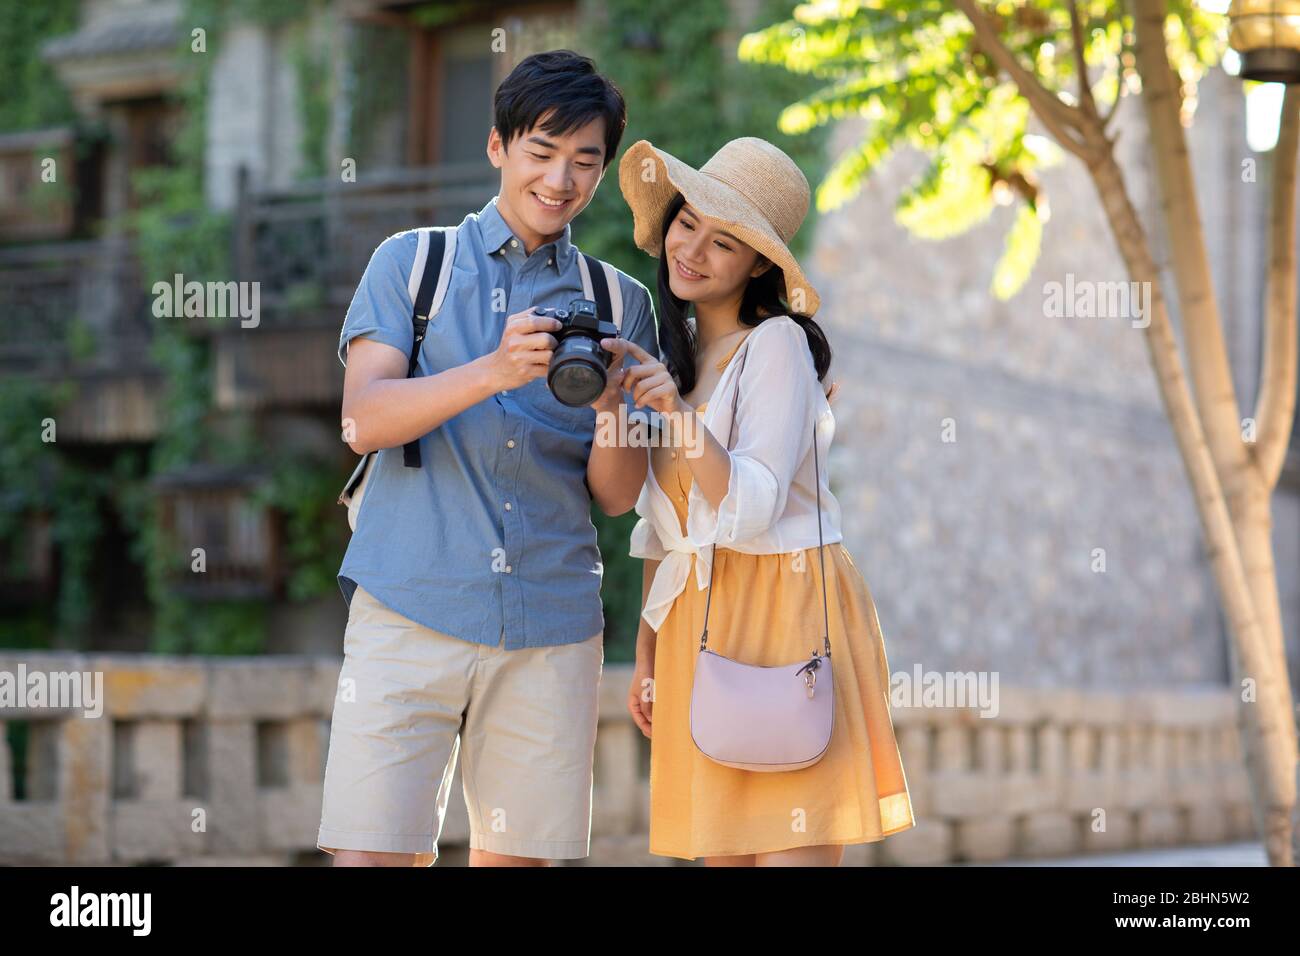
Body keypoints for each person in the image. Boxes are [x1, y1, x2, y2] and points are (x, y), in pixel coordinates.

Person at [317, 50, 659, 867]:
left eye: (585, 162)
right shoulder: (413, 265)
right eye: (542, 152)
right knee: (371, 856)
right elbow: (363, 420)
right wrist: (490, 372)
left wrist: (613, 406)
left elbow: (616, 498)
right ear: (498, 147)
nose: (561, 180)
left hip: (550, 624)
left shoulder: (622, 303)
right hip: (407, 608)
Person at [606, 136, 916, 865]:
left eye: (726, 243)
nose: (695, 250)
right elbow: (663, 529)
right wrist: (645, 656)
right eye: (688, 224)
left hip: (786, 608)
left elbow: (751, 506)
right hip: (698, 621)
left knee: (793, 846)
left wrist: (678, 420)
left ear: (758, 266)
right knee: (725, 853)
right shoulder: (672, 355)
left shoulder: (775, 343)